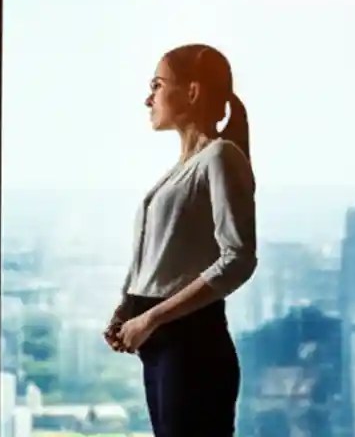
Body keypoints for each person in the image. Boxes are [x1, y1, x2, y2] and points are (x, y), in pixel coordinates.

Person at [102, 43, 258, 436]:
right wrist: (127, 307)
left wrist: (151, 317)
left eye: (156, 85)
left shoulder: (221, 157)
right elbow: (160, 254)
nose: (147, 98)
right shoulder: (185, 167)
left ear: (192, 91)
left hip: (191, 344)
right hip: (163, 342)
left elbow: (238, 258)